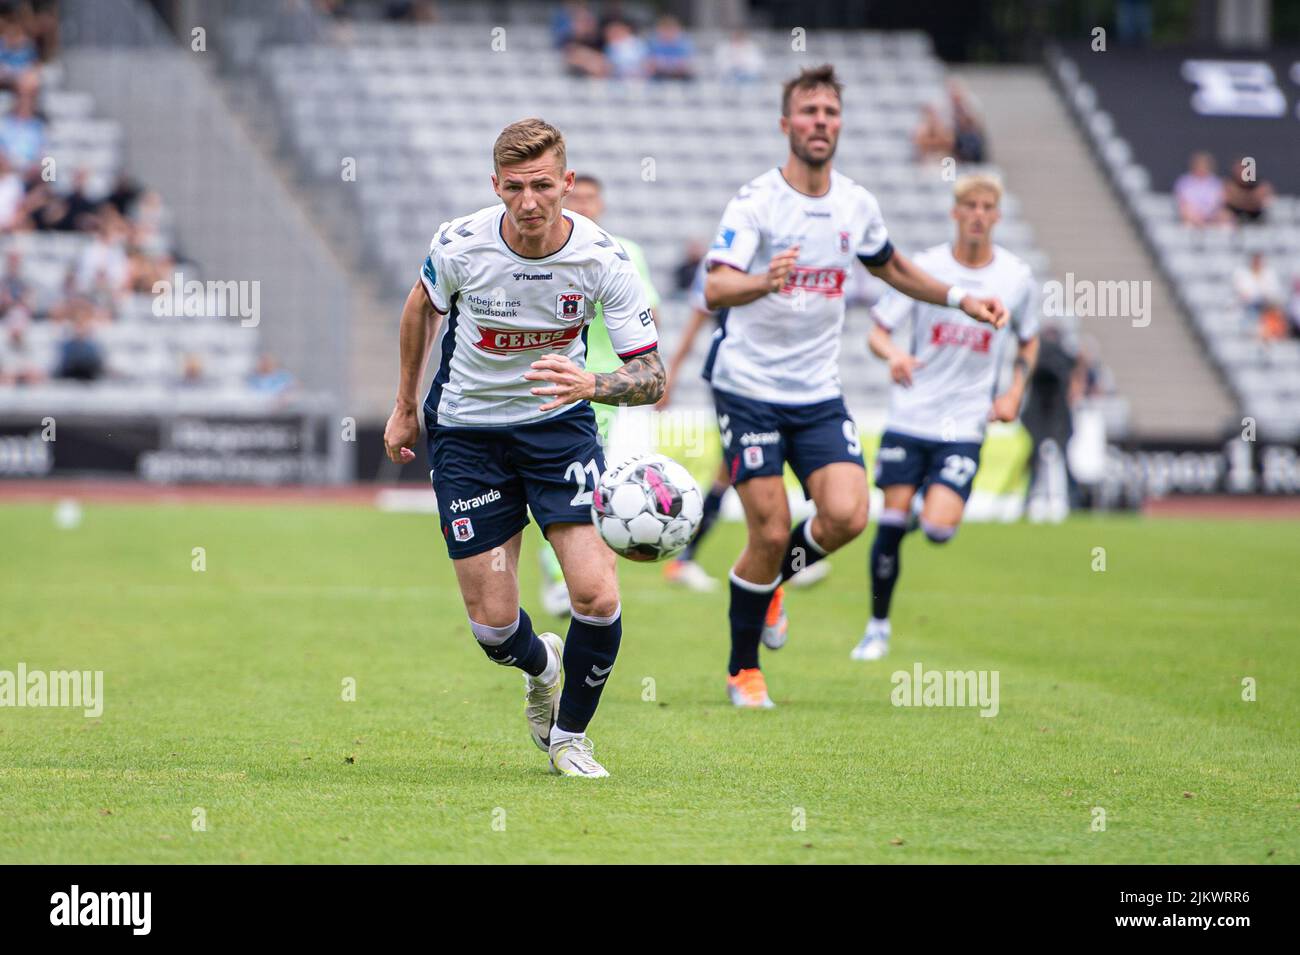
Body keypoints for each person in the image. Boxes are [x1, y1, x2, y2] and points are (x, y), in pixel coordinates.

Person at [703, 65, 1007, 708]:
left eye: (830, 112)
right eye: (808, 112)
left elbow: (892, 266)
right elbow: (715, 286)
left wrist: (959, 298)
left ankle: (775, 580)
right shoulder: (756, 200)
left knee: (848, 514)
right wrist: (764, 280)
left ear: (840, 124)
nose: (820, 122)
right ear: (786, 124)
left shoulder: (856, 203)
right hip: (748, 387)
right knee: (768, 529)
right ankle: (743, 668)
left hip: (816, 392)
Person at [382, 119, 664, 778]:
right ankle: (541, 665)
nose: (530, 200)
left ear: (567, 183)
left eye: (543, 185)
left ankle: (570, 737)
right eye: (515, 187)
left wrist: (592, 382)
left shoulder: (604, 259)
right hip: (466, 434)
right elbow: (421, 307)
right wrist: (403, 406)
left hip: (560, 430)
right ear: (496, 186)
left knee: (595, 593)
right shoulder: (459, 245)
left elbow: (651, 375)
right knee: (492, 626)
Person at [855, 174, 1040, 660]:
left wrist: (1014, 391)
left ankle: (919, 512)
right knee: (890, 522)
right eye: (969, 206)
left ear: (997, 216)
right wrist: (893, 355)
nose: (978, 214)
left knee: (938, 529)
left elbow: (1030, 337)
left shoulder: (1016, 277)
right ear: (955, 212)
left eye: (987, 207)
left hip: (965, 420)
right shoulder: (928, 270)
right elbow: (877, 331)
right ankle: (877, 627)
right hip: (912, 413)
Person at [535, 172, 660, 617]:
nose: (584, 206)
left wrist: (646, 371)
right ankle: (559, 575)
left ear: (601, 204)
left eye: (592, 199)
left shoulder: (624, 255)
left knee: (597, 484)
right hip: (563, 382)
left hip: (610, 387)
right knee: (569, 482)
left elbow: (650, 315)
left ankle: (580, 576)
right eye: (579, 199)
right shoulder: (553, 255)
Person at [1232, 252, 1284, 336]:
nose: (1257, 263)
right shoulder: (1242, 273)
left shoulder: (1269, 273)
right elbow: (1244, 294)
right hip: (1248, 308)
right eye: (1255, 260)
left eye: (1259, 261)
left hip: (1265, 307)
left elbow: (1273, 293)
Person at [1174, 152, 1229, 227]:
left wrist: (1211, 215)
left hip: (1213, 215)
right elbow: (1182, 203)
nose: (1201, 167)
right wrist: (1197, 216)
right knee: (1187, 213)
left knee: (1225, 216)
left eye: (1204, 165)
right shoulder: (1184, 181)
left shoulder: (1216, 183)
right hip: (1192, 216)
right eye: (1199, 165)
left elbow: (1221, 202)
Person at [1223, 156, 1273, 224]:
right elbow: (1230, 199)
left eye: (1244, 168)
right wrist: (1250, 199)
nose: (1241, 171)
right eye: (1239, 169)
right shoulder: (1229, 183)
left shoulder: (1260, 183)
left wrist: (1241, 198)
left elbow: (1262, 198)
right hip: (1235, 220)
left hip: (1258, 217)